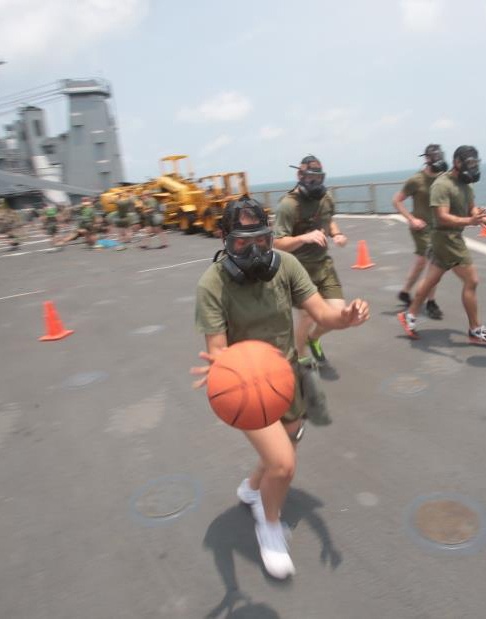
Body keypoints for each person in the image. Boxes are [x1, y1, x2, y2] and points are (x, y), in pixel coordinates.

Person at [191, 198, 369, 579]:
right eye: (242, 242)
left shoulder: (286, 266)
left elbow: (321, 313)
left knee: (289, 439)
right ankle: (269, 527)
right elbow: (217, 349)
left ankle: (252, 489)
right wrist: (220, 367)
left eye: (262, 239)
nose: (255, 251)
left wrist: (346, 318)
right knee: (284, 465)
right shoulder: (212, 283)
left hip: (287, 375)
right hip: (247, 384)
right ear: (224, 238)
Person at [397, 145, 486, 344]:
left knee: (430, 281)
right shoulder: (442, 185)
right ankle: (475, 329)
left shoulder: (467, 184)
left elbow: (472, 210)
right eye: (469, 163)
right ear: (457, 163)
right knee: (472, 281)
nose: (473, 168)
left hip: (448, 238)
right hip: (446, 238)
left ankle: (408, 316)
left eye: (475, 164)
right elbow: (442, 218)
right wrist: (470, 222)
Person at [272, 156, 348, 368]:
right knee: (307, 316)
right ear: (300, 175)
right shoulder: (288, 205)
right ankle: (300, 355)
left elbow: (328, 218)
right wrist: (303, 238)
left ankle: (313, 338)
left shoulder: (325, 198)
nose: (315, 183)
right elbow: (277, 243)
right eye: (311, 178)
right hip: (298, 269)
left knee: (339, 315)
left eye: (319, 178)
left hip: (323, 265)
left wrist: (337, 234)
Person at [392, 144, 446, 319]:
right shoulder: (416, 180)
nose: (437, 159)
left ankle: (405, 292)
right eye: (433, 157)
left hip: (438, 227)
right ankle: (431, 302)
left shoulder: (443, 178)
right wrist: (411, 219)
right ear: (427, 159)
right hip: (420, 228)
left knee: (421, 263)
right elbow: (397, 201)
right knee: (434, 263)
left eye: (439, 156)